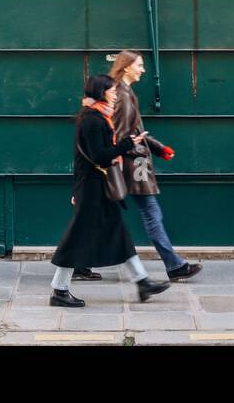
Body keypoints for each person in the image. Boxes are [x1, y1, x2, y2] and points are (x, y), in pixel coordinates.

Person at [48, 75, 171, 307]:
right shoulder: (92, 121)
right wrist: (127, 145)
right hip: (93, 188)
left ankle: (142, 282)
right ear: (101, 91)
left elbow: (89, 156)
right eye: (111, 90)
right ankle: (59, 290)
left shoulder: (99, 117)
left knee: (118, 232)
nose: (115, 93)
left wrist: (130, 144)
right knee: (77, 238)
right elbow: (99, 156)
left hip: (98, 186)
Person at [109, 50, 202, 282]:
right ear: (127, 66)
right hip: (135, 164)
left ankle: (78, 262)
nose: (143, 69)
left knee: (102, 215)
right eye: (139, 65)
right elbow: (123, 137)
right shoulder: (122, 95)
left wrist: (159, 148)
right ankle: (174, 265)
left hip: (135, 161)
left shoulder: (125, 92)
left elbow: (135, 130)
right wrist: (140, 150)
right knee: (151, 213)